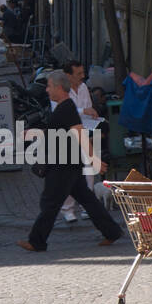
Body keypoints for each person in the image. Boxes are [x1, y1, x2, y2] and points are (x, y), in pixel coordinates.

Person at [18, 71, 122, 252]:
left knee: (50, 203)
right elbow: (57, 131)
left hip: (63, 166)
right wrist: (36, 132)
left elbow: (79, 134)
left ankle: (37, 241)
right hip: (68, 163)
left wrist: (94, 160)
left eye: (49, 86)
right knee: (88, 200)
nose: (47, 90)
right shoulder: (63, 107)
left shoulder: (66, 107)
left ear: (59, 87)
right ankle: (112, 231)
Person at [59, 61, 101, 225]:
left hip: (83, 132)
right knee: (69, 173)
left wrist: (92, 117)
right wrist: (84, 111)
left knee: (88, 172)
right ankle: (68, 210)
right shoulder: (60, 89)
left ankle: (87, 207)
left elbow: (88, 108)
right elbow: (60, 110)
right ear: (68, 75)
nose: (83, 76)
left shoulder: (83, 88)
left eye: (83, 73)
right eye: (79, 74)